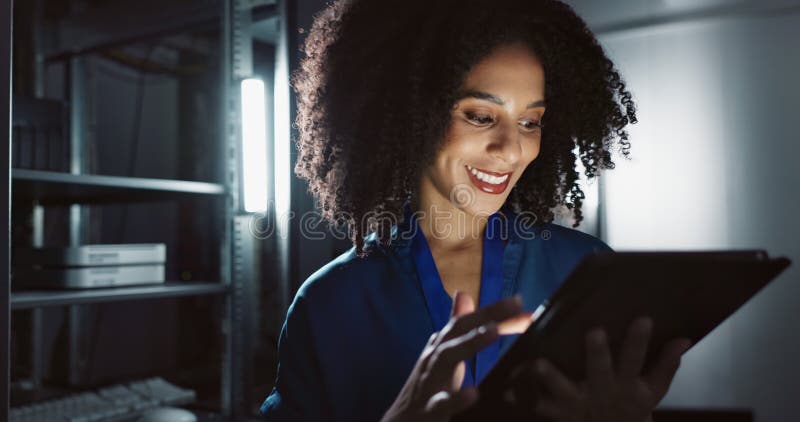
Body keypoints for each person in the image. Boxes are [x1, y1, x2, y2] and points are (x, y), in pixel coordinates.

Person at [260, 0, 692, 420]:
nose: (511, 149)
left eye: (530, 122)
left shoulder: (585, 271)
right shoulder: (331, 303)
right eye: (481, 116)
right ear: (411, 114)